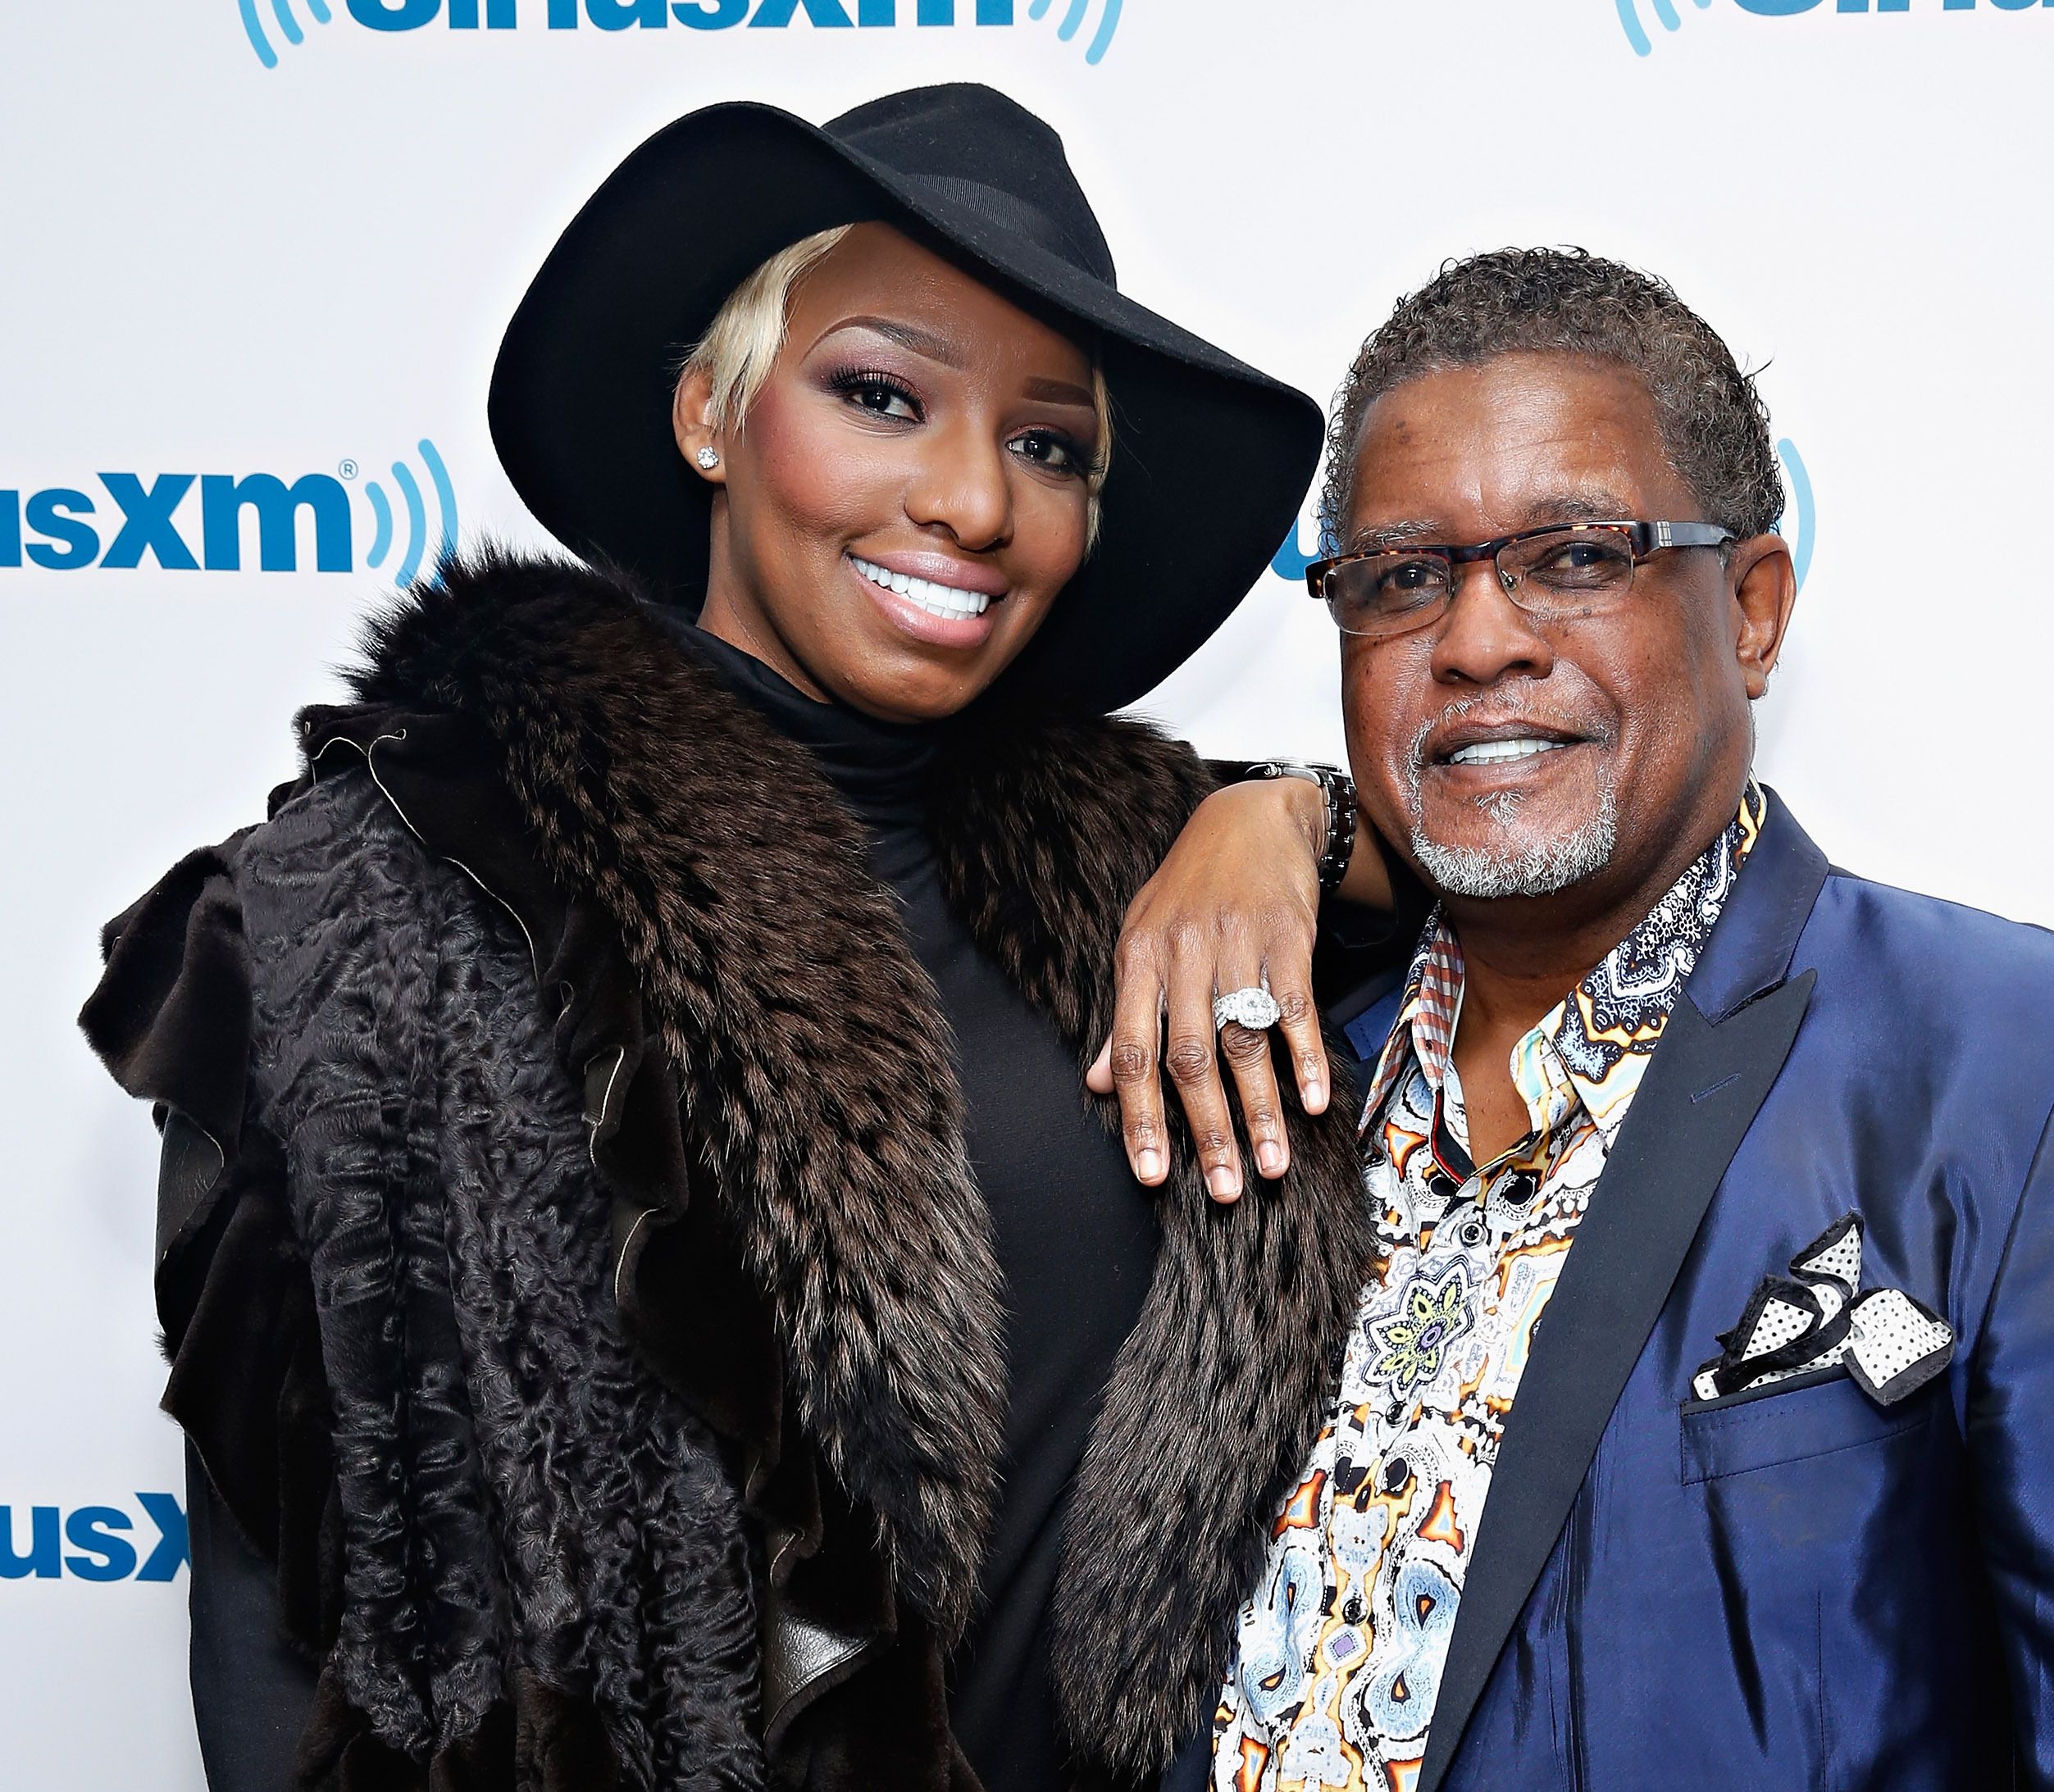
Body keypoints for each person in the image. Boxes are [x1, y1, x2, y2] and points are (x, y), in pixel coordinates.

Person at [80, 87, 1401, 1792]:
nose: (974, 500)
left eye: (1050, 446)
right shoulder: (397, 901)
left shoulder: (1149, 888)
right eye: (882, 395)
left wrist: (1296, 814)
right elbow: (294, 1624)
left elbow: (1550, 880)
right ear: (711, 411)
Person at [1195, 248, 2054, 1790]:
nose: (1480, 639)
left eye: (1576, 555)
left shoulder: (2039, 1087)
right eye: (1403, 575)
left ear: (1753, 609)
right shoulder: (1256, 1077)